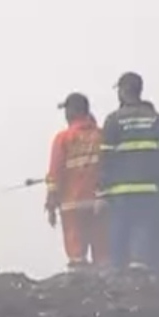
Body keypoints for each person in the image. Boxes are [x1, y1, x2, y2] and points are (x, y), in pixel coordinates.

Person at [97, 71, 159, 270]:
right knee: (142, 228)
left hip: (120, 192)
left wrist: (100, 192)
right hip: (149, 190)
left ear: (123, 91)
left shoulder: (113, 121)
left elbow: (105, 159)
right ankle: (138, 275)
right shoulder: (156, 120)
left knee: (118, 229)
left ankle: (118, 273)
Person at [45, 93, 108, 269]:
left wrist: (51, 204)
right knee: (102, 254)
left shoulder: (63, 138)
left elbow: (54, 173)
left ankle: (78, 287)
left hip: (72, 205)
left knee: (76, 255)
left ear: (72, 111)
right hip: (99, 202)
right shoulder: (101, 135)